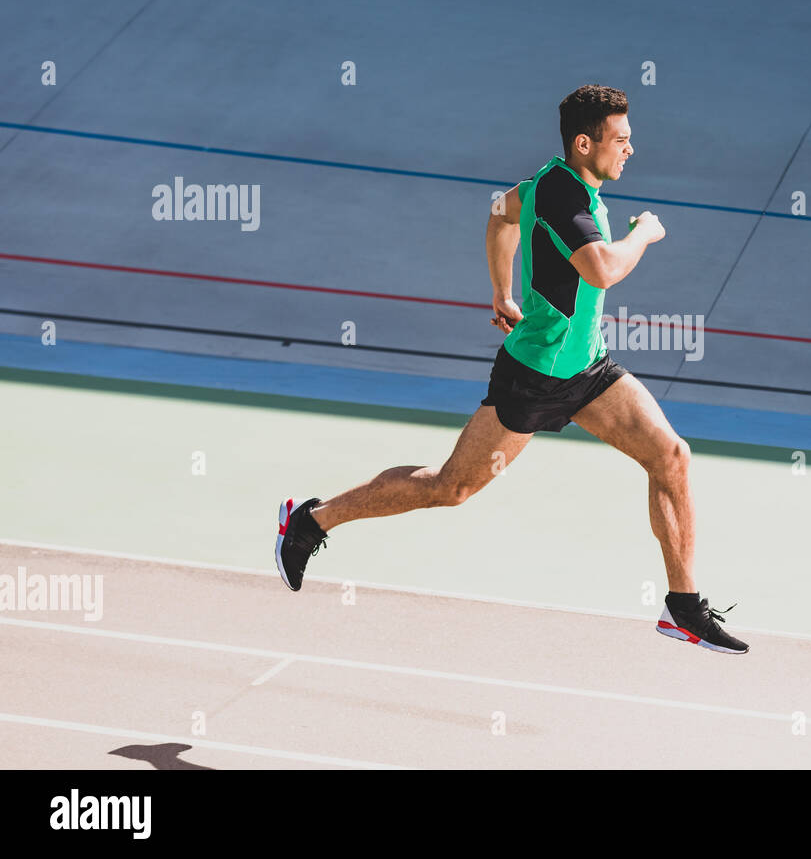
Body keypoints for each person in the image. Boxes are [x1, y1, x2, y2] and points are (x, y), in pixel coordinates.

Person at [274, 85, 747, 654]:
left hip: (588, 369)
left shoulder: (550, 182)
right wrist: (645, 232)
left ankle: (683, 606)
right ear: (584, 142)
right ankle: (310, 521)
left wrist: (502, 290)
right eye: (620, 139)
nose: (630, 149)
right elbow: (600, 270)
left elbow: (500, 214)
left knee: (670, 455)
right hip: (536, 375)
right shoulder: (563, 198)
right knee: (450, 488)